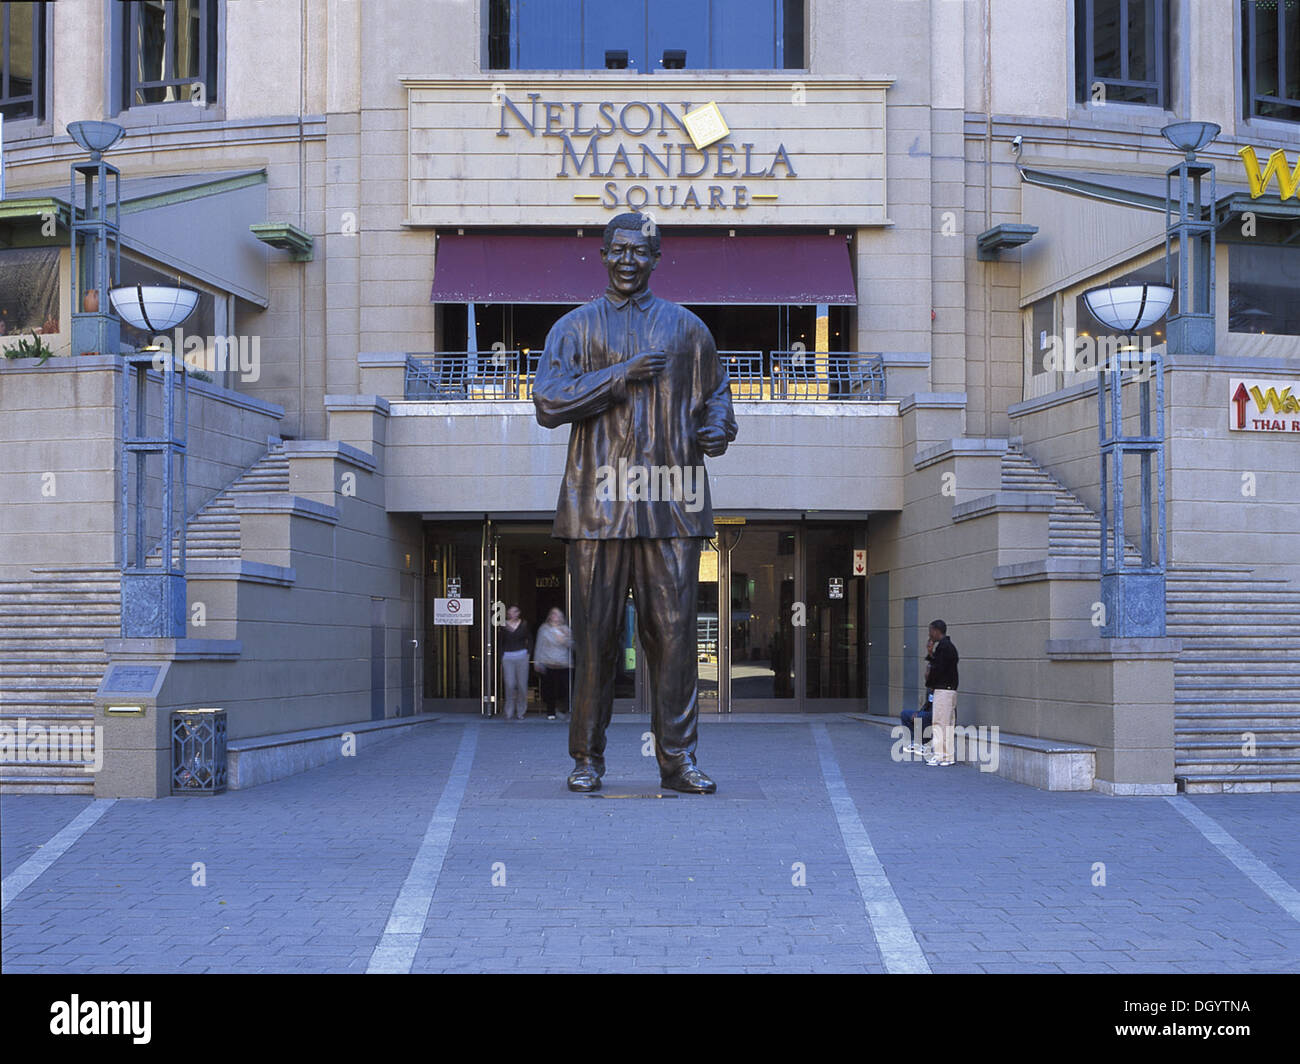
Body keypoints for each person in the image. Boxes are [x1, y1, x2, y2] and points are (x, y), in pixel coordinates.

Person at [533, 211, 737, 793]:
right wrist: (620, 374)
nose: (628, 261)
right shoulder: (575, 328)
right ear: (603, 254)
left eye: (639, 252)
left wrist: (718, 429)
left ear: (655, 258)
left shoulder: (688, 330)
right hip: (598, 508)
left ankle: (677, 762)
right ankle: (587, 760)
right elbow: (547, 403)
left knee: (674, 640)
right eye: (618, 251)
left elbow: (718, 398)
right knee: (595, 641)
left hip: (672, 505)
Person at [924, 619, 959, 766]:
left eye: (931, 631)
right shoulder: (948, 647)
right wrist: (931, 654)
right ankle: (947, 756)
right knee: (948, 724)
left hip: (943, 690)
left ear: (937, 631)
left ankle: (939, 756)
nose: (929, 634)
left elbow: (938, 669)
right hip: (949, 690)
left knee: (939, 723)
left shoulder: (944, 647)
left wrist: (929, 678)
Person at [534, 607, 574, 720]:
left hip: (563, 663)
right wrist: (537, 661)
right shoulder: (544, 629)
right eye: (553, 614)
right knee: (549, 690)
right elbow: (539, 645)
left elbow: (572, 645)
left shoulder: (565, 629)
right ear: (550, 616)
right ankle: (550, 711)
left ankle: (562, 709)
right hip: (549, 663)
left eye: (558, 614)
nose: (555, 617)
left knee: (563, 689)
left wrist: (564, 639)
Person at [499, 605, 531, 720]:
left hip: (522, 656)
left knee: (522, 685)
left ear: (519, 613)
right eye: (510, 612)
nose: (513, 614)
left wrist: (528, 653)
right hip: (508, 657)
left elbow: (530, 638)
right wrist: (500, 657)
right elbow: (500, 642)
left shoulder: (524, 624)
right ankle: (509, 711)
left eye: (515, 611)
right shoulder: (503, 626)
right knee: (509, 684)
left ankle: (521, 711)